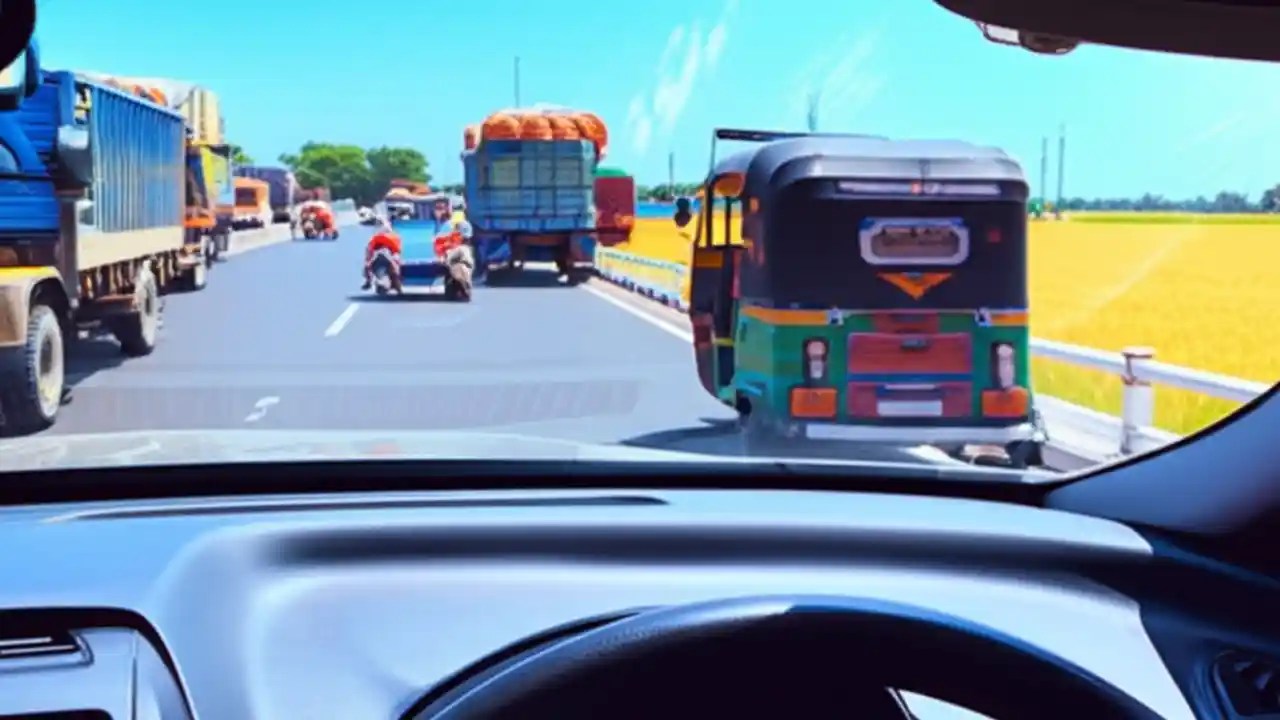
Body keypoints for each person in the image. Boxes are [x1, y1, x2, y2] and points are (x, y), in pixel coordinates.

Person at [361, 218, 402, 290]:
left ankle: (396, 284)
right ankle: (368, 282)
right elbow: (370, 249)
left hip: (389, 254)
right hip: (380, 255)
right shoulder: (376, 237)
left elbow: (397, 250)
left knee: (395, 266)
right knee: (367, 266)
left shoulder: (390, 235)